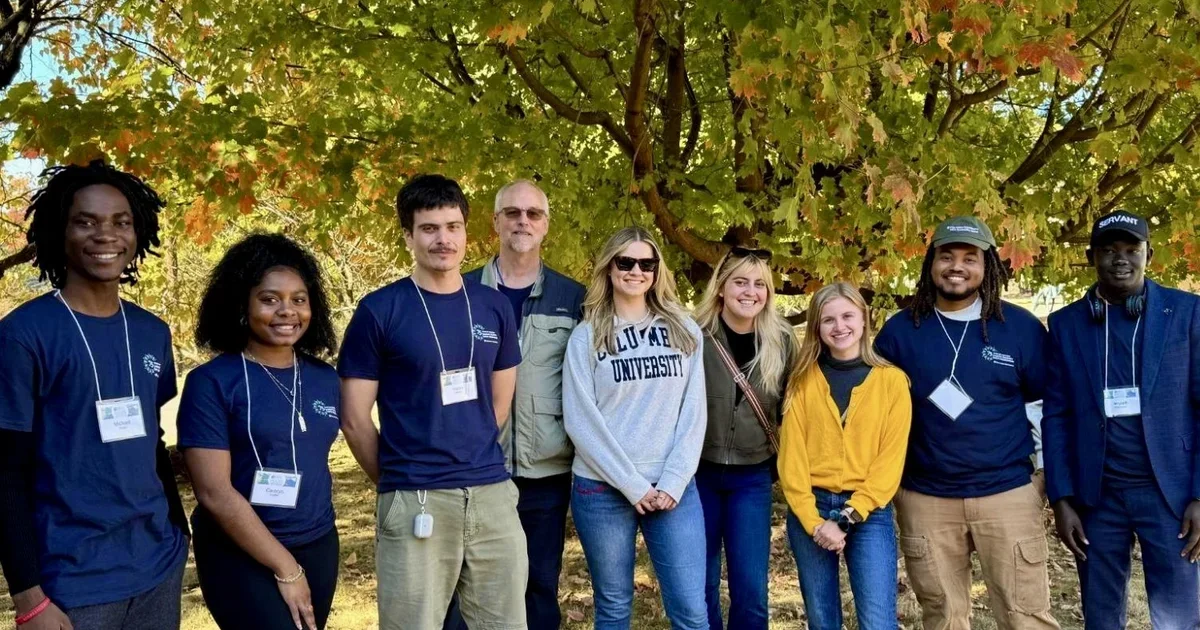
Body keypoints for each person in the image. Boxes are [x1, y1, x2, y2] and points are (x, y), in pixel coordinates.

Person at [0, 160, 189, 629]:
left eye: (121, 222)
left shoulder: (152, 333)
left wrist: (178, 531)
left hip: (156, 566)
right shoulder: (23, 335)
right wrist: (28, 598)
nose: (107, 235)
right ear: (58, 232)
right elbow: (3, 472)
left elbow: (152, 443)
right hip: (71, 582)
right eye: (86, 221)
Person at [338, 174, 527, 629]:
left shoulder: (492, 306)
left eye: (453, 226)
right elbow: (353, 416)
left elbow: (499, 404)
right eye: (429, 228)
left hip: (491, 495)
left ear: (466, 230)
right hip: (415, 498)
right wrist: (397, 479)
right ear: (408, 235)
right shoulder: (380, 310)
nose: (443, 239)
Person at [874, 216, 1059, 630]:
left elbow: (1048, 405)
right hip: (926, 499)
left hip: (1007, 494)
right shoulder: (900, 333)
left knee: (1026, 615)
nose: (956, 266)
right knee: (944, 618)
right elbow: (878, 415)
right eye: (947, 256)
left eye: (969, 258)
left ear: (987, 266)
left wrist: (1044, 476)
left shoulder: (1020, 329)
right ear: (930, 263)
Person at [1043, 210, 1200, 629]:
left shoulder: (1188, 314)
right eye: (1109, 250)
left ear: (1149, 254)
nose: (1121, 258)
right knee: (1100, 614)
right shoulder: (1065, 325)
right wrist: (1061, 499)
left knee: (1178, 617)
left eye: (1132, 249)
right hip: (1097, 497)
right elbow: (1055, 414)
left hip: (1170, 495)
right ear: (1092, 256)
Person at [177, 233, 342, 630]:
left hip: (318, 541)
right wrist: (287, 569)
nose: (287, 311)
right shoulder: (212, 382)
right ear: (242, 304)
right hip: (238, 550)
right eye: (269, 299)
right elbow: (213, 492)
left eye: (299, 299)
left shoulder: (325, 379)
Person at [444, 180, 585, 630]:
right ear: (495, 222)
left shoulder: (575, 298)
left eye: (533, 214)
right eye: (512, 213)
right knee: (464, 586)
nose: (523, 221)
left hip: (544, 470)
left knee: (538, 584)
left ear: (546, 225)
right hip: (472, 467)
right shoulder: (457, 293)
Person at [563, 226, 709, 629]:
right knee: (613, 606)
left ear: (657, 270)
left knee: (691, 610)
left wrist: (674, 481)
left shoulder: (685, 330)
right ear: (609, 269)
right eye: (625, 262)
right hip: (602, 488)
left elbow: (693, 413)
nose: (636, 271)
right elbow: (581, 421)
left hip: (671, 489)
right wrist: (632, 485)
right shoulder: (586, 336)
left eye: (647, 263)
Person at [778, 282, 911, 630]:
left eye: (848, 316)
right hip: (812, 510)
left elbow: (889, 463)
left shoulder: (892, 382)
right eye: (828, 320)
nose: (840, 327)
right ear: (817, 328)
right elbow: (792, 461)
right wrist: (814, 522)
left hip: (868, 512)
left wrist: (846, 519)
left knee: (878, 622)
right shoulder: (802, 381)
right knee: (822, 621)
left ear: (864, 320)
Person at [691, 246, 796, 630]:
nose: (750, 291)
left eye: (759, 285)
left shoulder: (781, 341)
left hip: (752, 477)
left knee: (751, 590)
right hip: (697, 474)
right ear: (721, 287)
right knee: (699, 584)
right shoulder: (693, 337)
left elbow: (794, 408)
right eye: (740, 281)